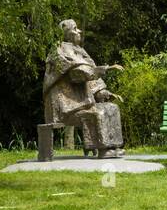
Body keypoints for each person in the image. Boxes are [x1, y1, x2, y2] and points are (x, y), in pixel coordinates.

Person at [42, 19, 125, 158]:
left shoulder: (78, 50)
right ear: (66, 33)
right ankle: (104, 150)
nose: (79, 31)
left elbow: (90, 79)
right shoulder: (59, 51)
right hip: (65, 106)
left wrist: (102, 92)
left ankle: (112, 146)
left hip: (81, 102)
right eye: (75, 28)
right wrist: (106, 68)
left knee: (111, 107)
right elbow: (78, 74)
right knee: (97, 114)